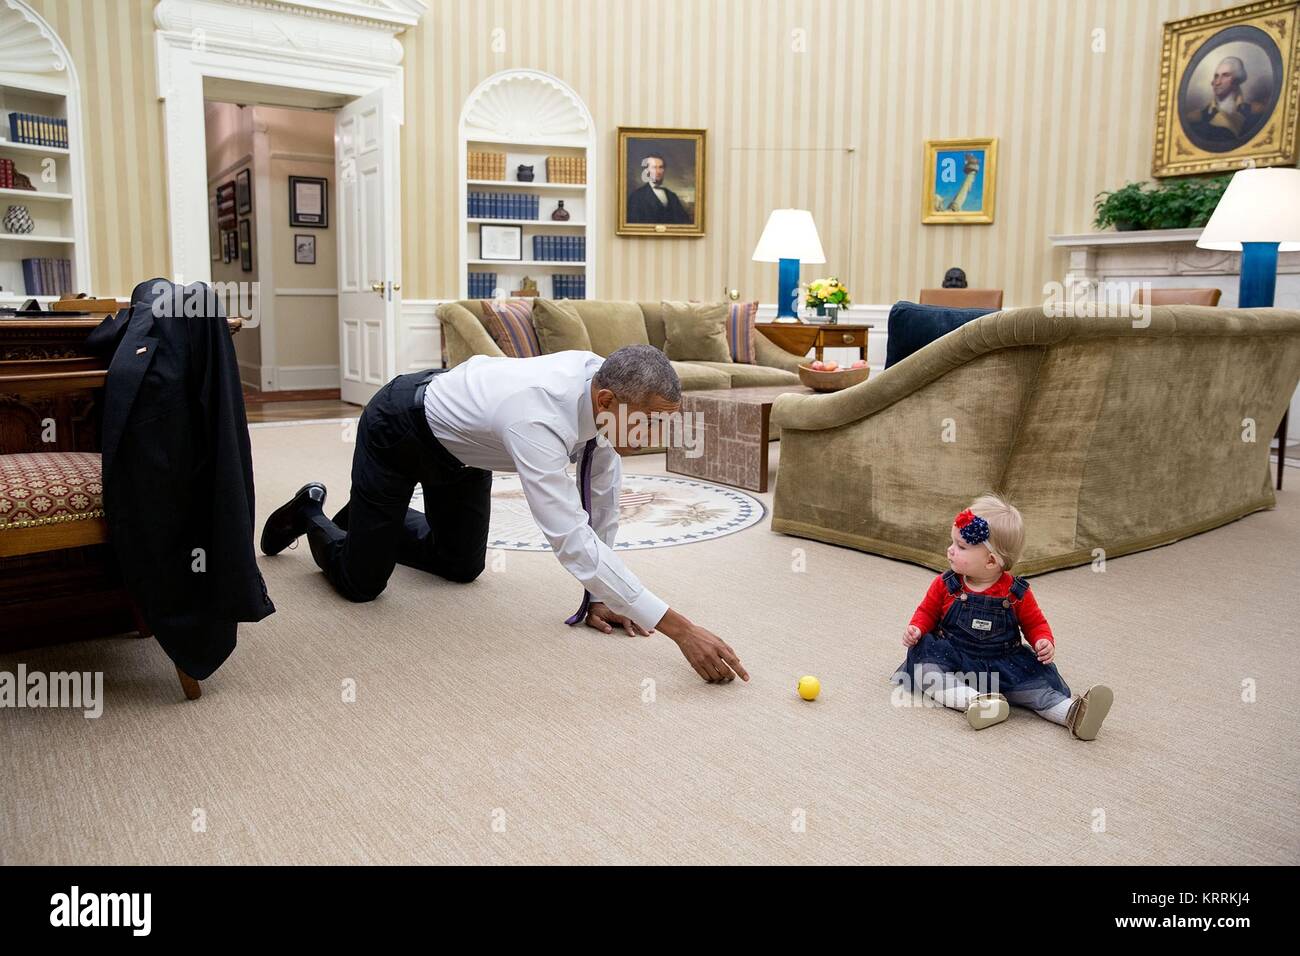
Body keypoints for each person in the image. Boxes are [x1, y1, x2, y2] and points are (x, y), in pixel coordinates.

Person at [259, 345, 748, 684]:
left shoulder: (606, 387)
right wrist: (681, 630)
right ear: (605, 401)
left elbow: (601, 501)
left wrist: (601, 596)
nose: (654, 436)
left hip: (468, 450)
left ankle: (370, 515)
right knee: (362, 584)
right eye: (650, 422)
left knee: (461, 566)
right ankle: (312, 512)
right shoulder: (537, 417)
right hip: (400, 429)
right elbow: (572, 539)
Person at [890, 495, 1113, 738]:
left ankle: (1073, 714)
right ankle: (975, 702)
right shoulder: (946, 584)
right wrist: (917, 628)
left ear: (990, 561)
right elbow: (927, 611)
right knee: (926, 670)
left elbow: (1035, 623)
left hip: (1003, 663)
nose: (950, 550)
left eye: (961, 547)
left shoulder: (1016, 593)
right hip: (953, 655)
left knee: (1034, 691)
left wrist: (1043, 640)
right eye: (952, 542)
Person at [1184, 55, 1269, 148]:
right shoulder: (1197, 118)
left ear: (1236, 80)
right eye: (1216, 76)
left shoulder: (1256, 111)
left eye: (1225, 75)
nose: (1217, 82)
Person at [626, 154, 692, 225]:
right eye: (654, 167)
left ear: (664, 170)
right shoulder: (636, 197)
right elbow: (634, 225)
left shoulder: (672, 196)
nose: (658, 171)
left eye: (660, 167)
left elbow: (685, 222)